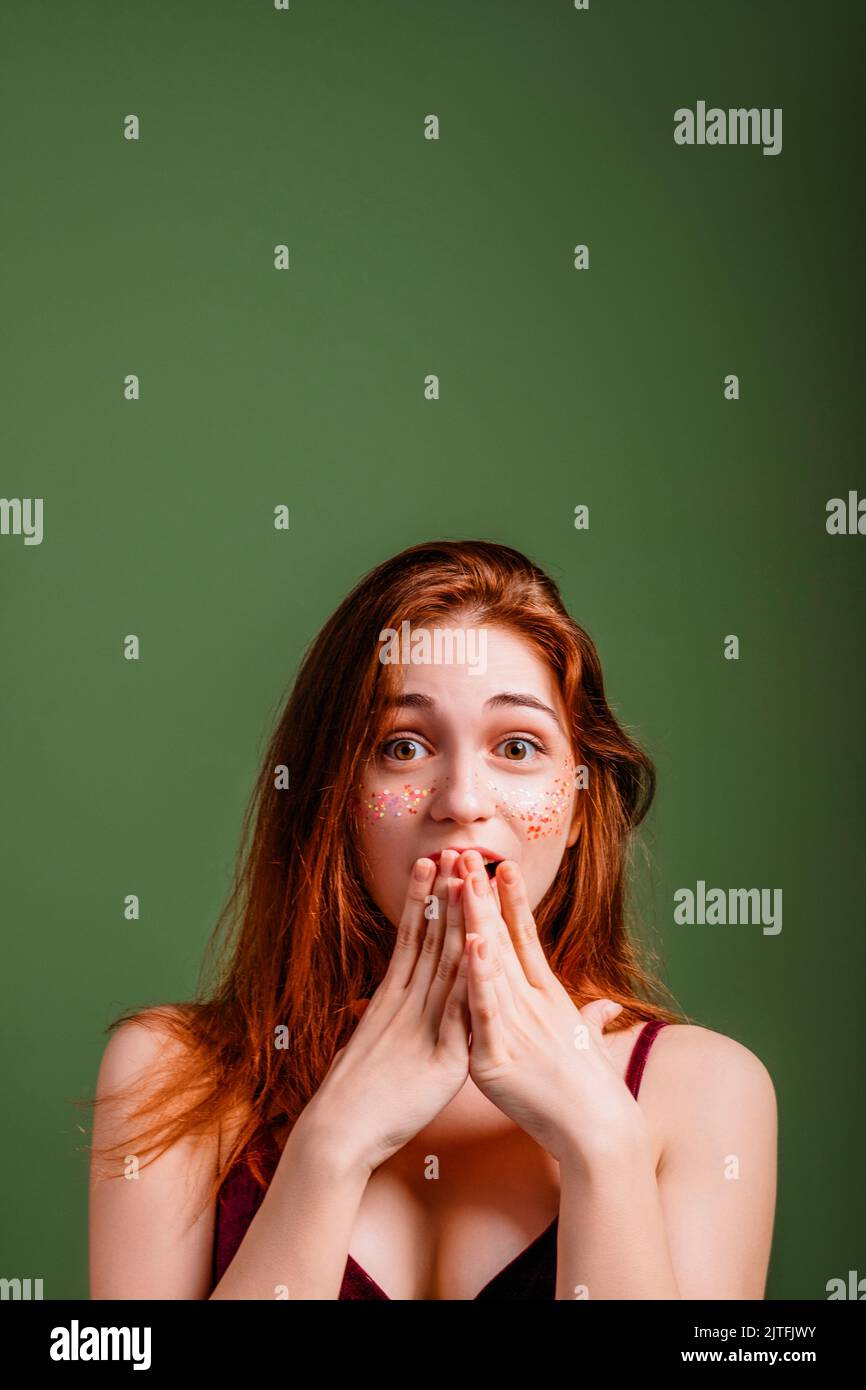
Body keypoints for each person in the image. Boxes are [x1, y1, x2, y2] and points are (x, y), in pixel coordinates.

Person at [86, 539, 777, 1299]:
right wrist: (333, 1143)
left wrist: (603, 1148)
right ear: (336, 797)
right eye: (404, 746)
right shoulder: (171, 1080)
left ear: (579, 804)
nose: (461, 799)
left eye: (517, 746)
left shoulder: (707, 1091)